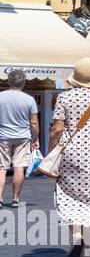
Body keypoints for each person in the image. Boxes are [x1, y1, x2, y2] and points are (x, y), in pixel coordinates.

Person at [47, 58, 90, 257]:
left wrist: (50, 151)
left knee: (69, 196)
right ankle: (87, 248)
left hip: (71, 154)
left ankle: (76, 235)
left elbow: (57, 129)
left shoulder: (64, 99)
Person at [0, 70, 39, 207]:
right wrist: (36, 139)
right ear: (23, 83)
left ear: (8, 81)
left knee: (2, 168)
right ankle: (15, 199)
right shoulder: (29, 99)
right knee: (19, 167)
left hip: (3, 136)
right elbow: (34, 122)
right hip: (22, 137)